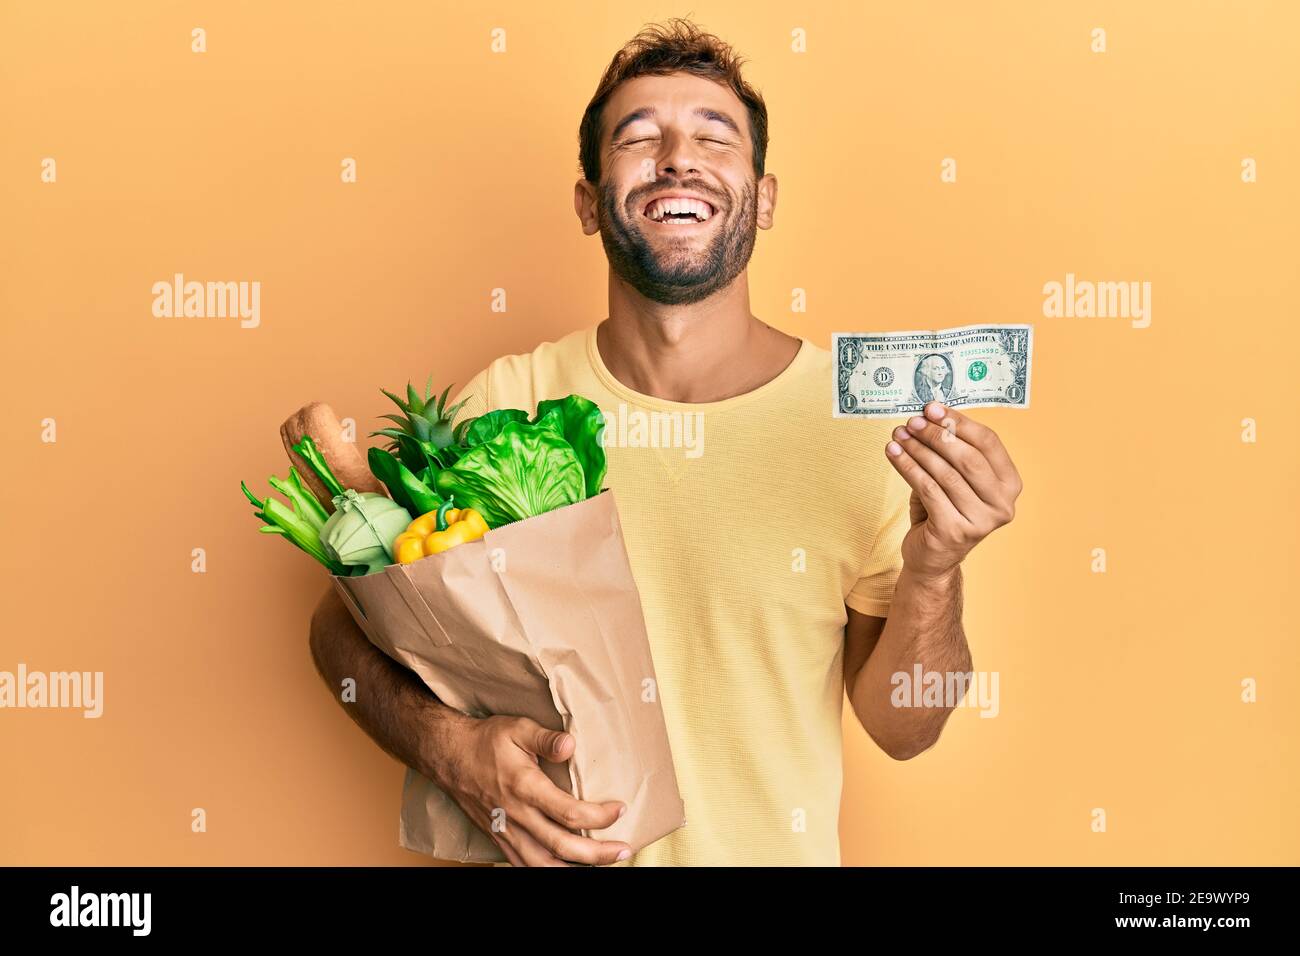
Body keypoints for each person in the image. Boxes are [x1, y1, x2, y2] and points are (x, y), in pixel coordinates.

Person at [309, 18, 1023, 867]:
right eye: (640, 137)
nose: (678, 158)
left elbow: (906, 729)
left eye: (714, 138)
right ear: (587, 202)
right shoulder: (502, 406)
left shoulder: (867, 436)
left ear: (762, 198)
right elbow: (338, 630)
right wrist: (447, 749)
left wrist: (937, 567)